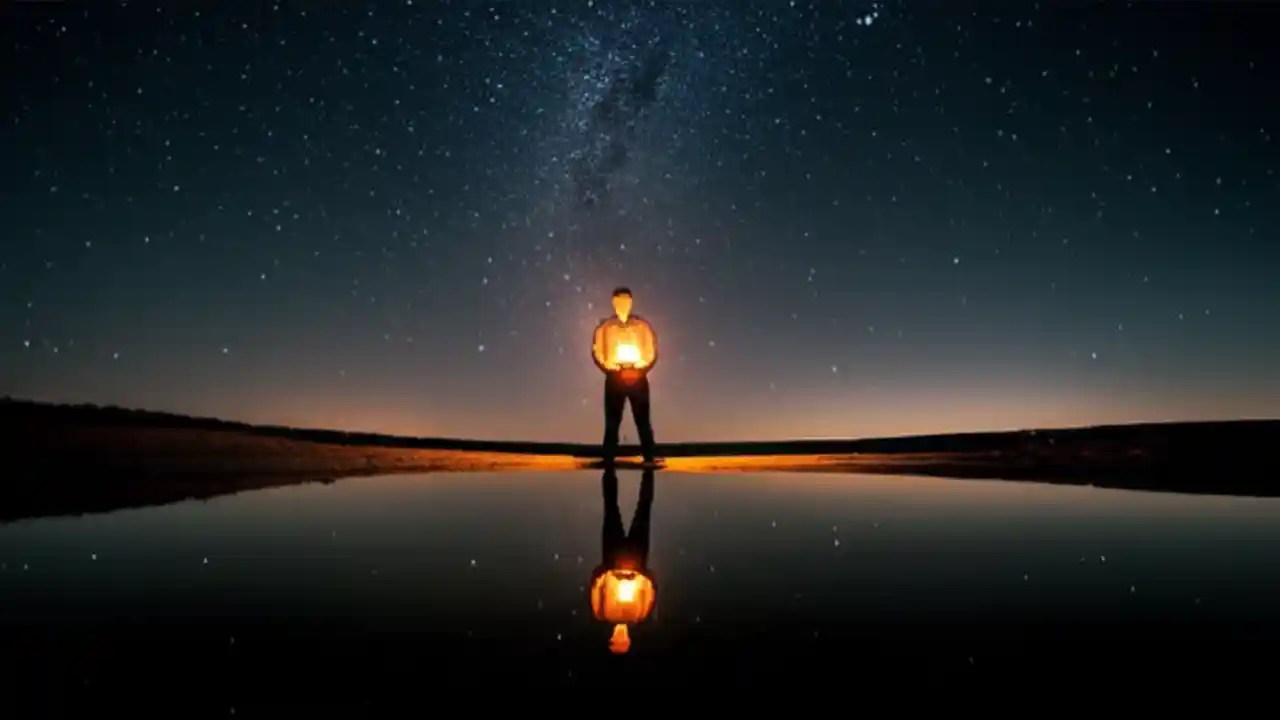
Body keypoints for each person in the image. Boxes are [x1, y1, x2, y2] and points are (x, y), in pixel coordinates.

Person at [588, 467, 657, 654]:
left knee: (612, 506)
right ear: (628, 639)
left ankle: (612, 462)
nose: (619, 638)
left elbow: (595, 581)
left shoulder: (601, 613)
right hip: (635, 557)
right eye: (622, 642)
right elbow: (651, 585)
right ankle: (647, 465)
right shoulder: (640, 615)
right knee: (642, 507)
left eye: (615, 641)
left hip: (614, 555)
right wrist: (638, 575)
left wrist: (609, 571)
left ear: (610, 638)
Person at [591, 286, 659, 466]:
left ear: (631, 302)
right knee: (612, 422)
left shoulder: (642, 327)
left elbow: (651, 352)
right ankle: (608, 457)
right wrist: (612, 369)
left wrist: (639, 369)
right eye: (619, 300)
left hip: (638, 377)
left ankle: (649, 456)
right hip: (614, 378)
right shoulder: (605, 328)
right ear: (613, 303)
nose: (623, 304)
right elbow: (598, 353)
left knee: (643, 420)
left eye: (626, 300)